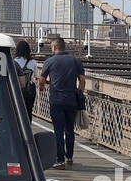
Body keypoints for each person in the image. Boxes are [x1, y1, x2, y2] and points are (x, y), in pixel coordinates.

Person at [37, 36, 85, 167]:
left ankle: (60, 160)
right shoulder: (76, 61)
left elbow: (41, 80)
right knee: (69, 129)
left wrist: (41, 89)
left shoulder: (49, 61)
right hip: (71, 101)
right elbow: (82, 81)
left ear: (53, 47)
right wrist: (79, 93)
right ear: (64, 47)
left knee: (58, 130)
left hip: (56, 100)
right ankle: (69, 156)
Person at [13, 39, 38, 116]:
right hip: (30, 89)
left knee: (18, 110)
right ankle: (28, 126)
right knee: (29, 110)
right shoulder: (33, 62)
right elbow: (35, 76)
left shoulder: (14, 61)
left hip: (18, 88)